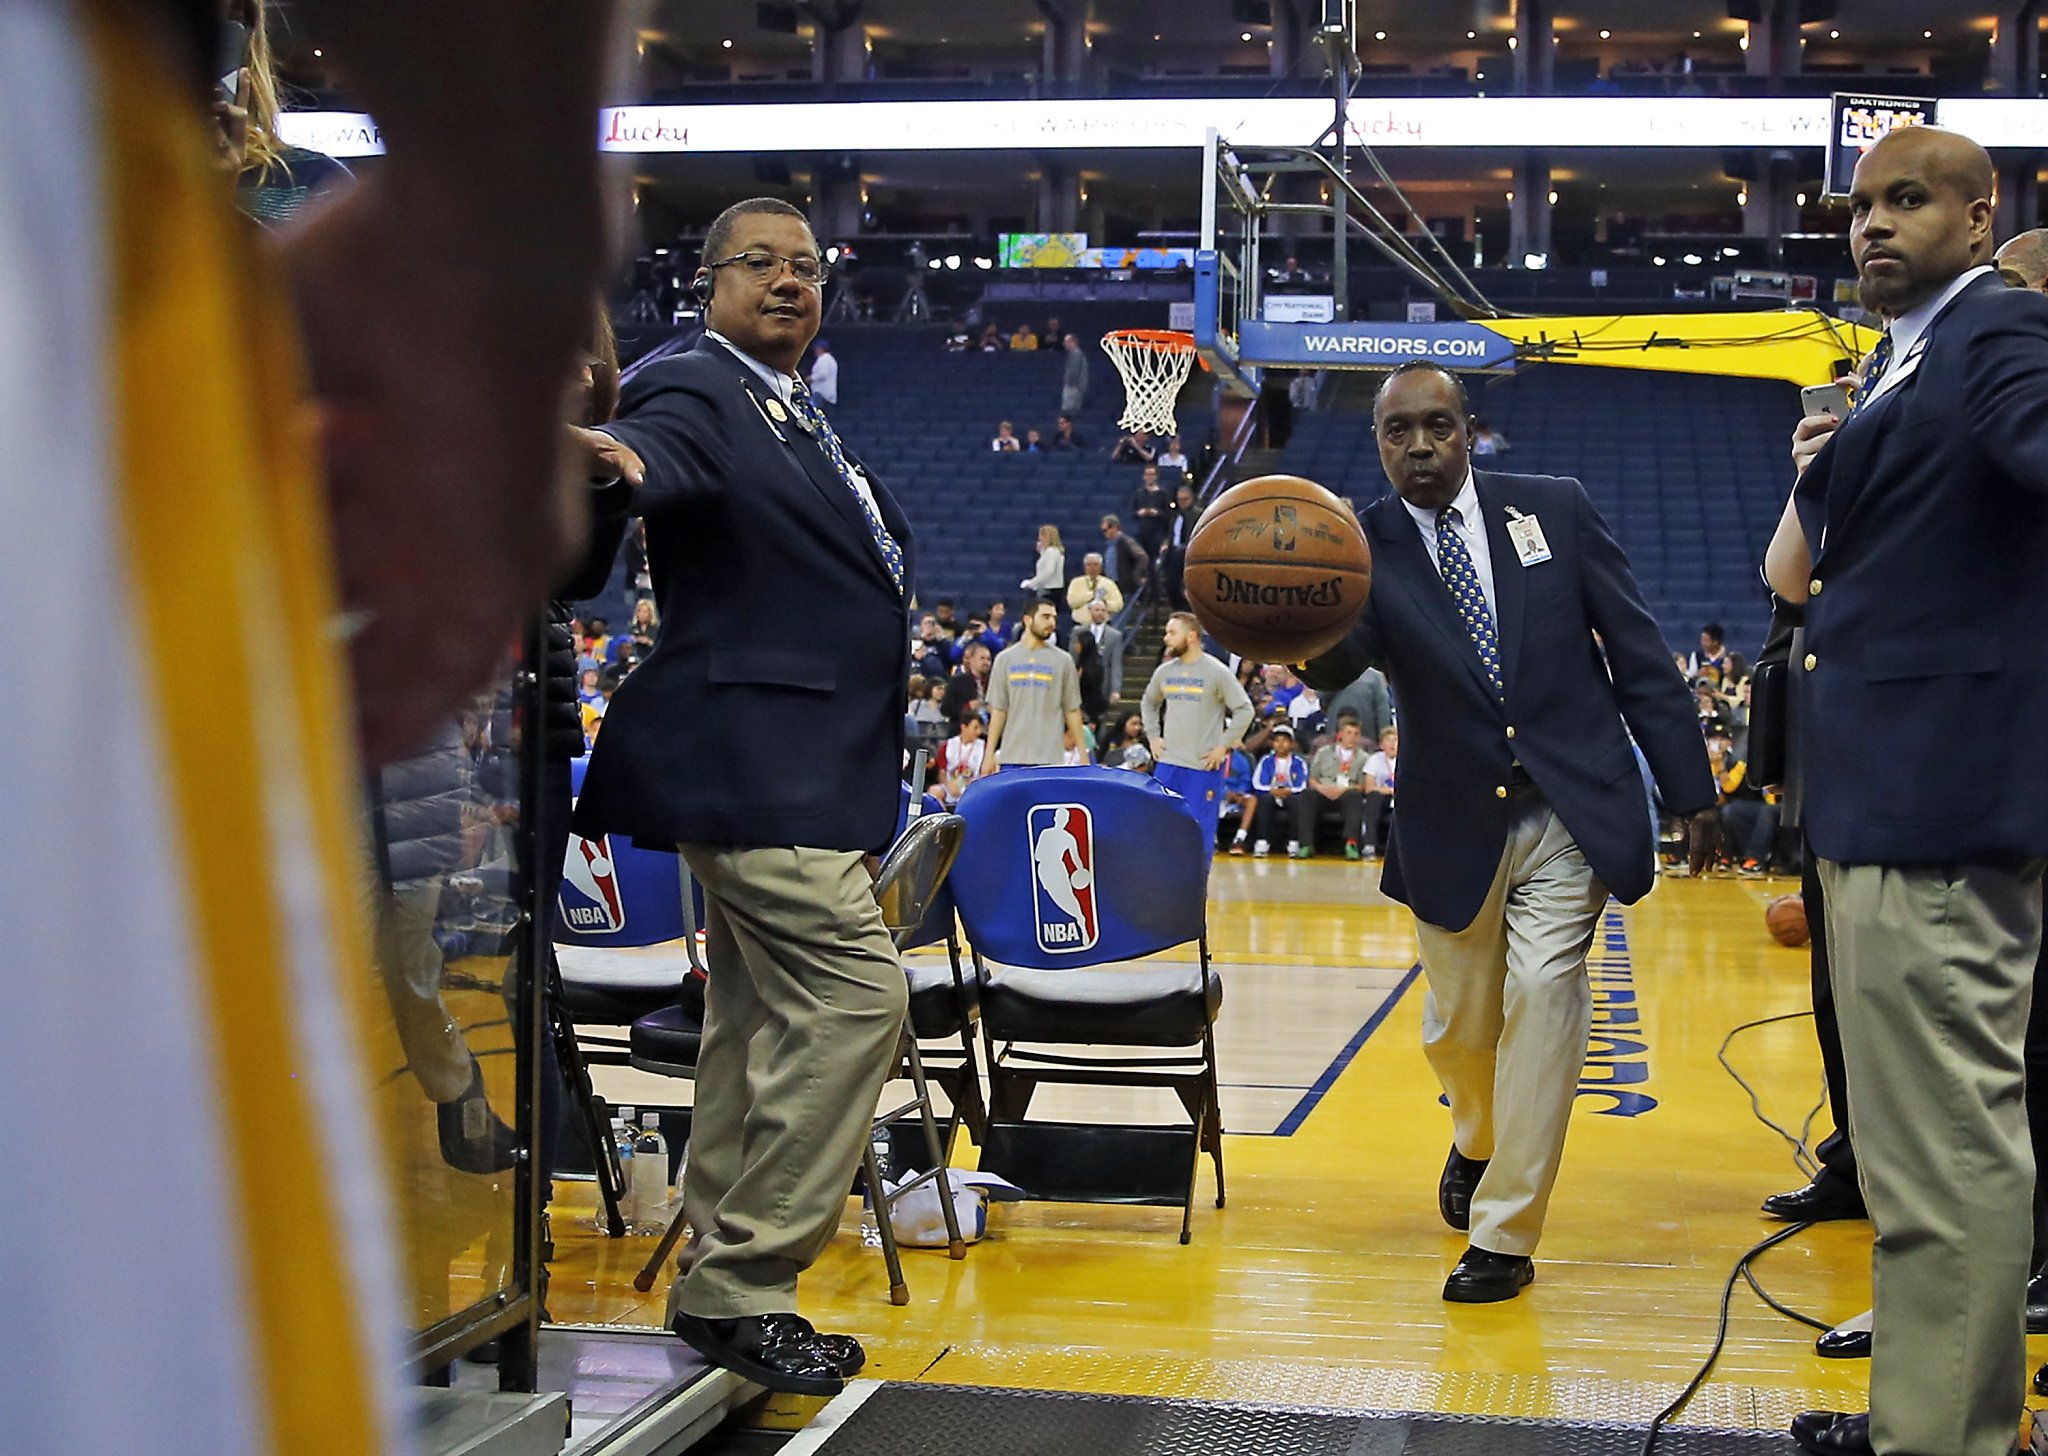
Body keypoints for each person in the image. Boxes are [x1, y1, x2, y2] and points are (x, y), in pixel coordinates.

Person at [568, 196, 913, 1397]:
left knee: (757, 1018)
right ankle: (746, 1278)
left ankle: (718, 1255)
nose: (786, 280)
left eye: (804, 265)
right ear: (707, 283)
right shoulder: (696, 383)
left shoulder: (796, 409)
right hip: (752, 757)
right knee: (861, 994)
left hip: (798, 767)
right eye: (757, 262)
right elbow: (657, 446)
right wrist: (619, 464)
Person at [1299, 359, 1715, 1305]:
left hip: (1570, 804)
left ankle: (1506, 1233)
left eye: (1437, 426)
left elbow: (1638, 650)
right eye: (1398, 431)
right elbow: (1335, 664)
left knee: (1546, 992)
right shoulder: (1362, 546)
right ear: (1378, 443)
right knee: (1459, 1031)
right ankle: (1476, 1135)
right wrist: (1279, 613)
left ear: (1469, 429)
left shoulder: (1553, 509)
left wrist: (1690, 789)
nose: (1419, 446)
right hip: (1452, 820)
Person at [1762, 127, 2048, 1456]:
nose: (1872, 222)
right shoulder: (1899, 360)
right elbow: (1798, 576)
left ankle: (1945, 1441)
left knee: (1945, 1157)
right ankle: (1932, 1416)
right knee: (1909, 1158)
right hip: (1881, 799)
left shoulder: (1995, 331)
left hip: (1940, 801)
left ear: (1982, 214)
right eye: (1863, 204)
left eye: (1909, 198)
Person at [1142, 611, 1256, 844]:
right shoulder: (1164, 671)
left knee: (1199, 829)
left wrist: (1223, 746)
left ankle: (1199, 870)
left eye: (1172, 633)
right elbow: (1149, 703)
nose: (1166, 638)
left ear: (1192, 636)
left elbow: (1245, 710)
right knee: (1159, 825)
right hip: (1168, 763)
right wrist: (1153, 736)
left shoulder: (1216, 671)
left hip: (1202, 765)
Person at [985, 599, 1086, 770]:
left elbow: (1072, 710)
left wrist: (1083, 753)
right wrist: (989, 755)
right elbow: (999, 710)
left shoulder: (1063, 660)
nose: (1051, 623)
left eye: (1054, 618)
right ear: (1028, 620)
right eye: (1045, 617)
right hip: (1012, 755)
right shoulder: (1004, 659)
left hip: (1050, 757)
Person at [1234, 724, 1313, 858]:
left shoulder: (1299, 762)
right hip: (1270, 794)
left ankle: (1293, 842)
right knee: (1265, 800)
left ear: (1292, 744)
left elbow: (1302, 784)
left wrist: (1289, 790)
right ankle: (1262, 841)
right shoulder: (1265, 760)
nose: (1280, 744)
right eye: (1277, 741)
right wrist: (1271, 791)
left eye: (1284, 741)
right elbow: (1257, 783)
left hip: (1290, 794)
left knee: (1297, 801)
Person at [1309, 716, 1373, 861]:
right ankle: (1306, 844)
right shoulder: (1324, 752)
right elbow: (1312, 779)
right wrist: (1322, 788)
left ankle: (1351, 843)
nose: (1352, 737)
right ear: (1340, 734)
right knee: (1308, 795)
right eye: (1348, 733)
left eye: (1356, 734)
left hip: (1346, 793)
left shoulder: (1363, 757)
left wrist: (1342, 790)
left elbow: (1362, 785)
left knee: (1355, 796)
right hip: (1323, 791)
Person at [1362, 724, 1399, 855]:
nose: (1392, 744)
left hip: (1402, 796)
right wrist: (1389, 790)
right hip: (1382, 796)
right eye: (1388, 740)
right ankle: (1369, 844)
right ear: (1382, 745)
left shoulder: (1408, 760)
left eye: (1395, 740)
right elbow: (1369, 788)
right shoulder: (1374, 759)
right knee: (1373, 797)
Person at [1083, 598, 1128, 701]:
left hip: (1103, 686)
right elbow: (1074, 660)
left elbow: (1116, 664)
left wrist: (1115, 690)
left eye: (1103, 610)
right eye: (1097, 610)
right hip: (1083, 684)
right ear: (1090, 611)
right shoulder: (1079, 632)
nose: (1100, 613)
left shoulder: (1115, 636)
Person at [936, 712, 986, 804]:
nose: (979, 732)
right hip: (950, 784)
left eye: (980, 728)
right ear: (964, 727)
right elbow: (942, 771)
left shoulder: (984, 747)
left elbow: (985, 773)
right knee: (934, 791)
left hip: (973, 786)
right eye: (975, 728)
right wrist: (948, 785)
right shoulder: (948, 745)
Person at [1127, 464, 1172, 558]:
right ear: (1144, 477)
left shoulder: (1163, 494)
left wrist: (1157, 513)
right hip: (1141, 533)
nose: (1149, 477)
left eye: (1152, 474)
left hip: (1156, 533)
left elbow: (1169, 514)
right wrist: (1139, 513)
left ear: (1156, 476)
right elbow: (1132, 513)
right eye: (1147, 474)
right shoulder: (1138, 493)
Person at [1099, 513, 1151, 590]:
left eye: (1106, 530)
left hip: (1126, 587)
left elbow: (1142, 557)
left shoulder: (1126, 542)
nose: (1105, 533)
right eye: (1103, 531)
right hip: (1113, 585)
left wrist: (1137, 576)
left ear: (1115, 527)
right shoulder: (1109, 545)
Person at [1071, 629, 1110, 721]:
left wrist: (1092, 717)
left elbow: (1094, 693)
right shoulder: (1080, 663)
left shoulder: (1094, 667)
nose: (1075, 646)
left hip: (1090, 712)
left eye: (1078, 643)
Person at [1019, 523, 1065, 598]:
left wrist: (1032, 583)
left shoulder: (1051, 551)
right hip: (1048, 589)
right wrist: (1042, 551)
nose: (1039, 538)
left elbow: (1048, 571)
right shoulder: (1050, 552)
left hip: (1049, 590)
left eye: (1042, 535)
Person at [1059, 332, 1089, 413]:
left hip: (1073, 388)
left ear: (1073, 342)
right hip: (1076, 388)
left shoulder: (1076, 354)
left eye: (1066, 342)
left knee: (1068, 412)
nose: (1064, 344)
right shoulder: (1078, 354)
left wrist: (1068, 384)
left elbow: (1073, 372)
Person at [806, 338, 838, 406]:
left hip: (821, 394)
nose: (815, 351)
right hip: (826, 394)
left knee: (812, 410)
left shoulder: (824, 358)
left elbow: (823, 374)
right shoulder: (830, 359)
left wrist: (811, 378)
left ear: (820, 349)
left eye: (816, 349)